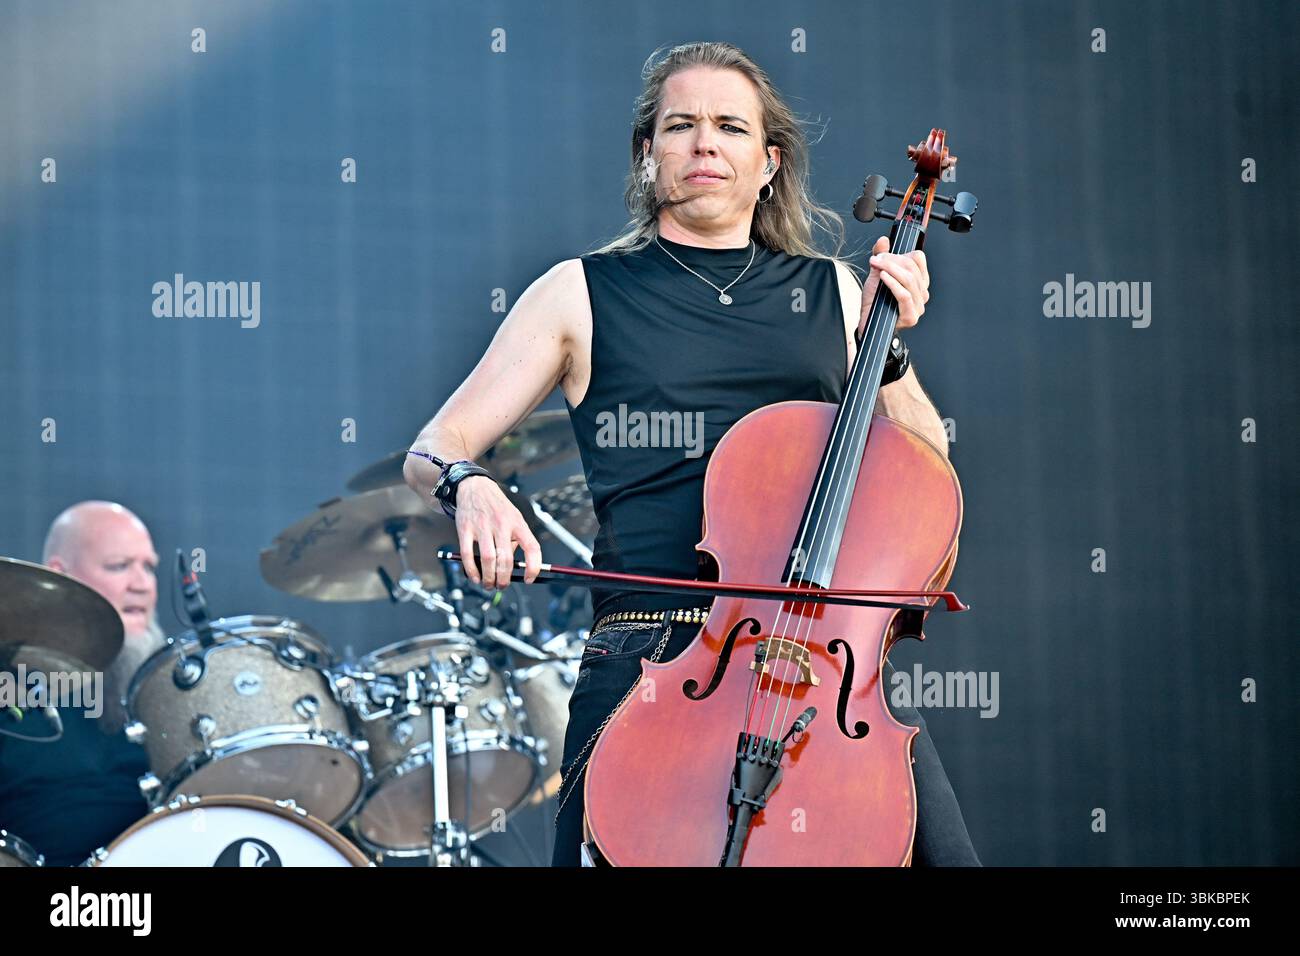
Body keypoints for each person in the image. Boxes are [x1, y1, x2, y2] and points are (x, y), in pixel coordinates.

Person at [405, 41, 979, 866]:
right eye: (680, 125)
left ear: (767, 162)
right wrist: (470, 486)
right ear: (649, 154)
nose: (704, 143)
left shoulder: (835, 292)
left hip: (812, 666)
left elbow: (927, 481)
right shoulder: (581, 290)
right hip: (648, 655)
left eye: (729, 127)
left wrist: (888, 351)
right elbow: (436, 447)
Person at [0, 501, 166, 865]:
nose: (141, 584)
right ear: (61, 575)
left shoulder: (173, 690)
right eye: (119, 566)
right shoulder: (9, 684)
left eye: (149, 567)